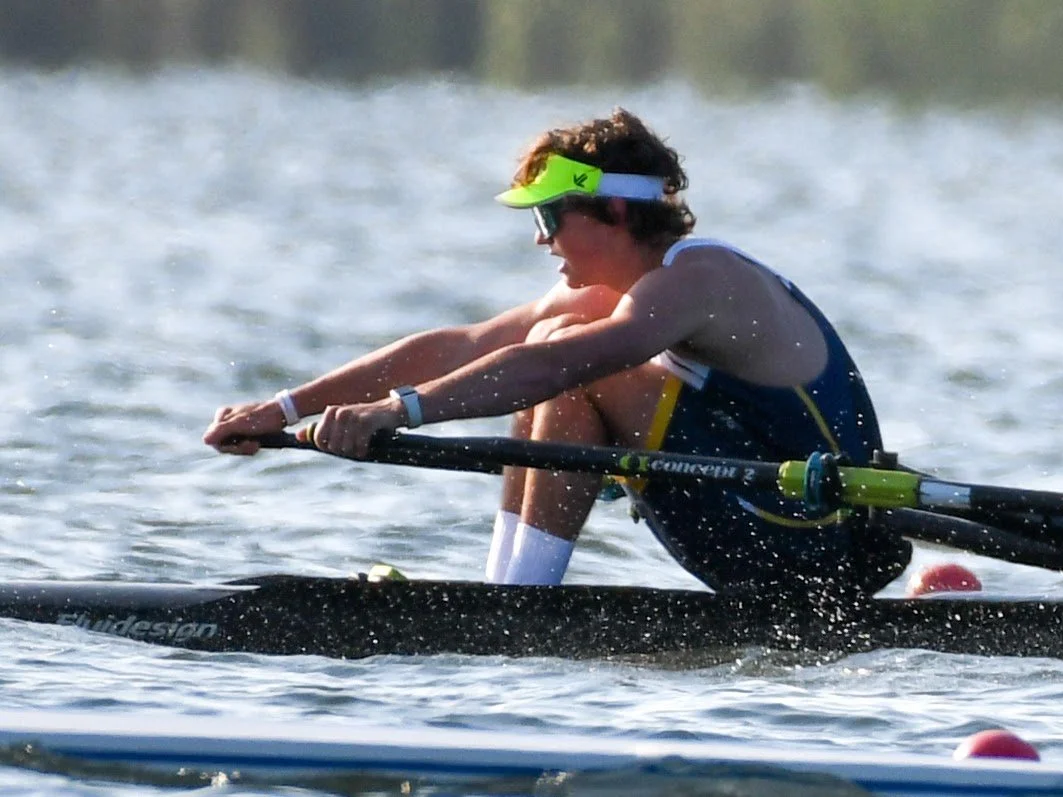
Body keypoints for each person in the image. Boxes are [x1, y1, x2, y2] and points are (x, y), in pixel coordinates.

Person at [204, 108, 910, 598]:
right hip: (753, 525)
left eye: (549, 217)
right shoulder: (626, 292)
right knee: (546, 342)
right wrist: (285, 407)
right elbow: (463, 344)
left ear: (615, 211)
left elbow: (555, 366)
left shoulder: (701, 280)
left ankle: (517, 606)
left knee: (565, 358)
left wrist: (394, 413)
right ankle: (510, 596)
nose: (540, 239)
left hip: (812, 541)